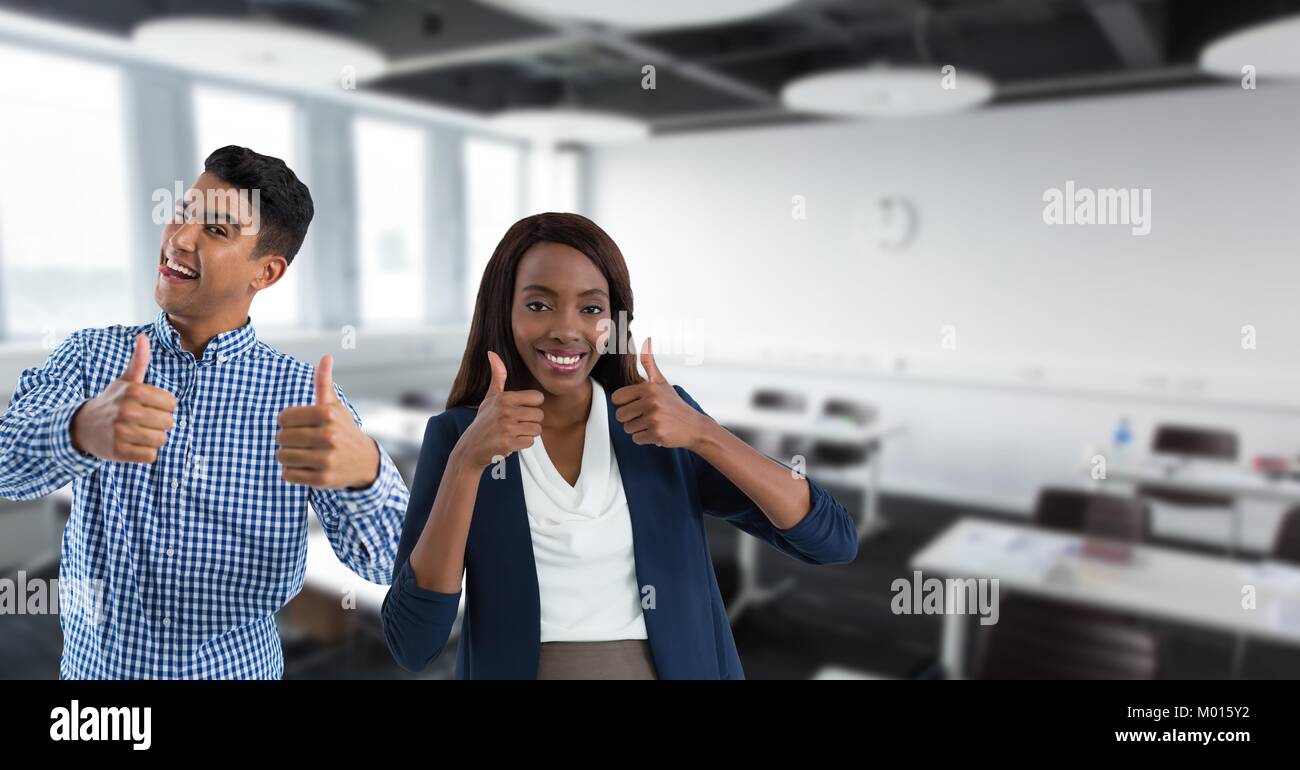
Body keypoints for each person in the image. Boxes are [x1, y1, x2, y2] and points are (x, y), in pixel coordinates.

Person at [382, 212, 857, 679]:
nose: (567, 330)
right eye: (538, 305)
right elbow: (413, 643)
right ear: (501, 312)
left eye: (591, 309)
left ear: (615, 322)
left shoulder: (658, 423)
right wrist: (466, 464)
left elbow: (831, 542)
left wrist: (703, 434)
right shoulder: (458, 437)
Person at [0, 146, 408, 679]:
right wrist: (79, 430)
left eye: (216, 230)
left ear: (266, 271)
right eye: (184, 213)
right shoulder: (89, 357)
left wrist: (367, 475)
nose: (179, 238)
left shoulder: (306, 398)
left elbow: (387, 565)